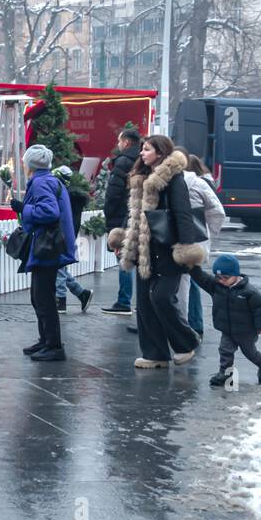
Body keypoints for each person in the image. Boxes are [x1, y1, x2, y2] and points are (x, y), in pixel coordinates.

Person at [108, 136, 205, 369]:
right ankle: (155, 354)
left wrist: (185, 246)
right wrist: (122, 236)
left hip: (168, 248)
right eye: (142, 148)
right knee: (144, 302)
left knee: (160, 297)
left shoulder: (174, 179)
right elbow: (132, 213)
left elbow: (183, 214)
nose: (142, 153)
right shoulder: (139, 178)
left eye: (147, 149)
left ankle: (187, 341)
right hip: (143, 249)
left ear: (160, 152)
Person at [13, 146, 78, 361]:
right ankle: (46, 340)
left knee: (43, 298)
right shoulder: (49, 180)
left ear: (29, 165)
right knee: (39, 296)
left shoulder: (41, 183)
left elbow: (49, 212)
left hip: (48, 248)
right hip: (52, 247)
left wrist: (23, 208)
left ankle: (54, 345)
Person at [190, 254, 261, 387]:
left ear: (236, 275)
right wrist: (191, 267)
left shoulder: (249, 292)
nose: (222, 280)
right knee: (225, 351)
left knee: (250, 353)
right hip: (227, 329)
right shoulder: (216, 286)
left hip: (246, 331)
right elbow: (202, 278)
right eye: (218, 277)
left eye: (226, 277)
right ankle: (226, 374)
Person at [177, 151, 225, 339]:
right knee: (191, 280)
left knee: (187, 283)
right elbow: (216, 213)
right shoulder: (201, 182)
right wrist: (207, 236)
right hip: (196, 241)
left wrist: (207, 235)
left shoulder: (191, 183)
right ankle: (193, 325)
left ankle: (190, 325)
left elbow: (217, 213)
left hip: (185, 241)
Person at [101, 128, 141, 316]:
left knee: (124, 259)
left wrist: (108, 214)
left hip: (121, 216)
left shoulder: (123, 162)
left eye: (119, 141)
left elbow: (113, 194)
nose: (118, 144)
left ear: (126, 142)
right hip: (134, 215)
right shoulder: (140, 161)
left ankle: (124, 301)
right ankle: (140, 303)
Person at [51, 165, 93, 314]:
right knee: (59, 266)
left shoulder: (64, 196)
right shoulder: (72, 197)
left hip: (63, 235)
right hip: (68, 234)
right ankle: (82, 293)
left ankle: (61, 300)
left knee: (60, 266)